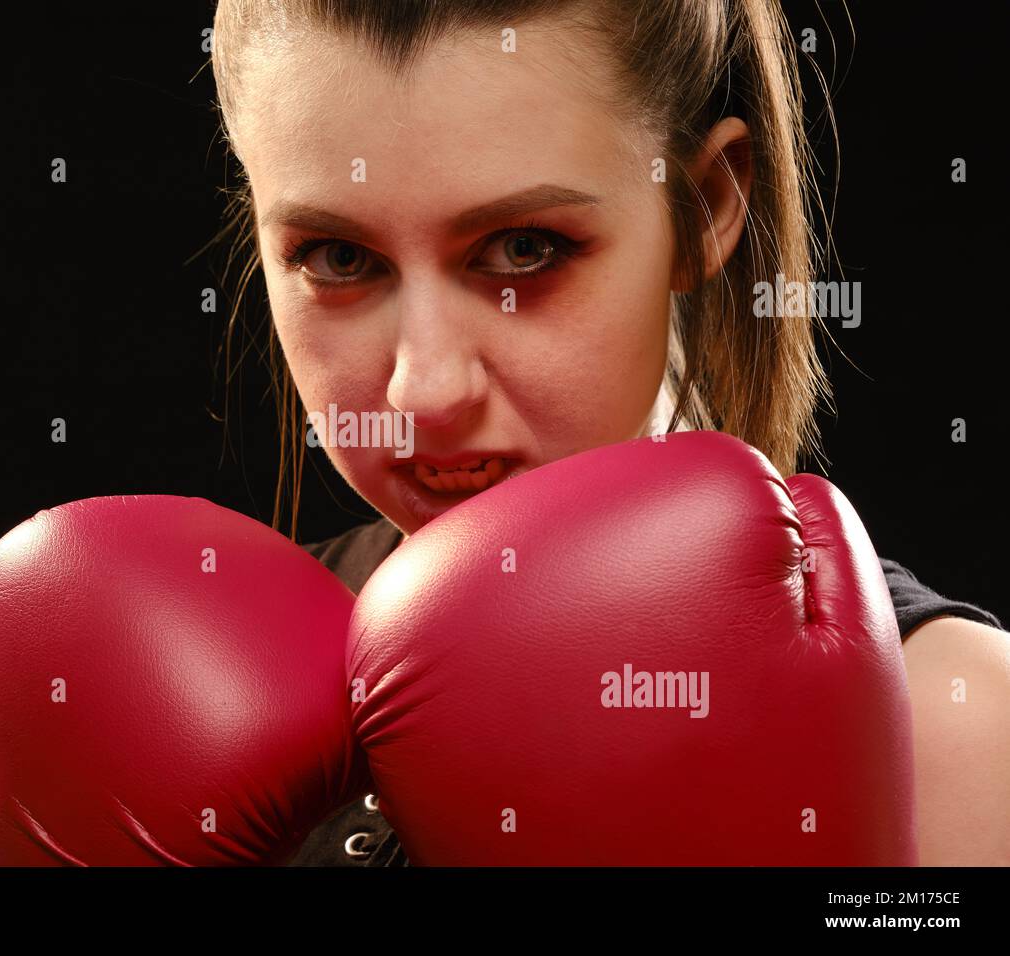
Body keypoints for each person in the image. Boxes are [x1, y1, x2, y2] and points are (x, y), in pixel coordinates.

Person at [208, 0, 1009, 866]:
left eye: (523, 249)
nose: (426, 390)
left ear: (705, 209)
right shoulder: (193, 702)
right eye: (339, 257)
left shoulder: (960, 733)